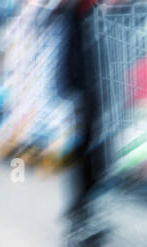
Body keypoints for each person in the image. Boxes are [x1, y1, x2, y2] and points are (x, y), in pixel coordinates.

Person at [55, 0, 104, 232]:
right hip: (85, 80)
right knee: (85, 140)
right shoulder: (78, 10)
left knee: (94, 140)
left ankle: (85, 201)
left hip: (102, 78)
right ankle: (80, 205)